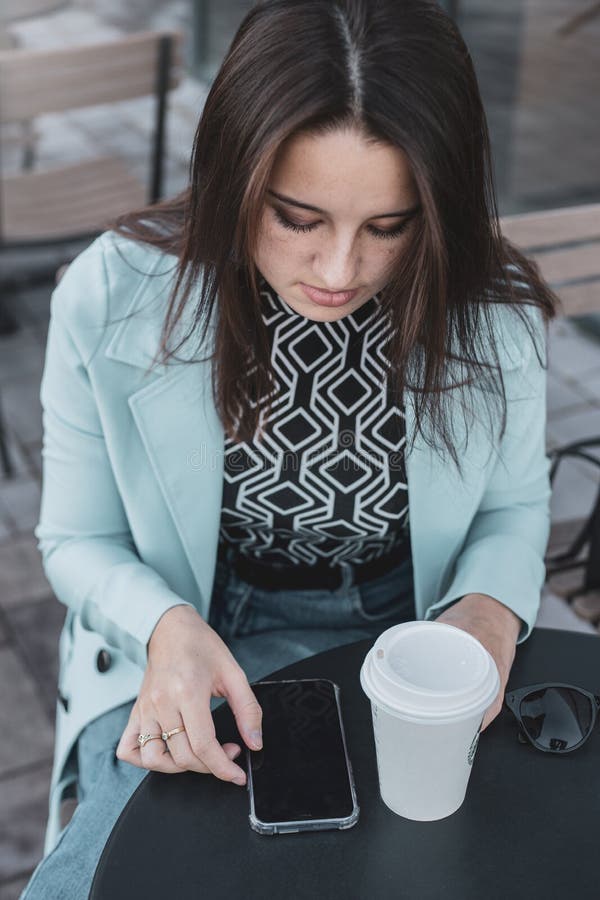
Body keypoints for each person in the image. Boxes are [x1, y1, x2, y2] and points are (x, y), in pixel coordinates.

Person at [22, 0, 558, 896]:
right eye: (296, 217)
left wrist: (488, 613)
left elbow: (512, 507)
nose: (340, 270)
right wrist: (166, 629)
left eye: (388, 226)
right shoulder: (113, 293)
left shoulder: (490, 311)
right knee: (105, 877)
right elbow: (75, 540)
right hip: (203, 625)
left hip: (411, 622)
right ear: (236, 174)